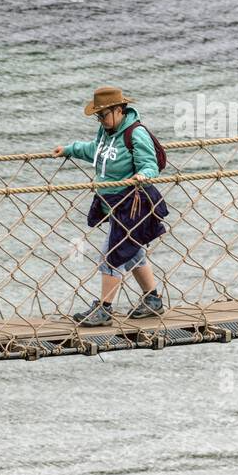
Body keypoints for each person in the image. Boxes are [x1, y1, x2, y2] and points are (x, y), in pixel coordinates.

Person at [53, 86, 168, 326]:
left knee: (111, 255)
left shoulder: (135, 133)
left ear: (118, 110)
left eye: (103, 115)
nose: (101, 119)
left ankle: (104, 310)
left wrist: (142, 176)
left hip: (132, 204)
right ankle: (153, 301)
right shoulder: (106, 132)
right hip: (112, 205)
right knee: (132, 252)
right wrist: (70, 149)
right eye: (98, 116)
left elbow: (150, 165)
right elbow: (96, 152)